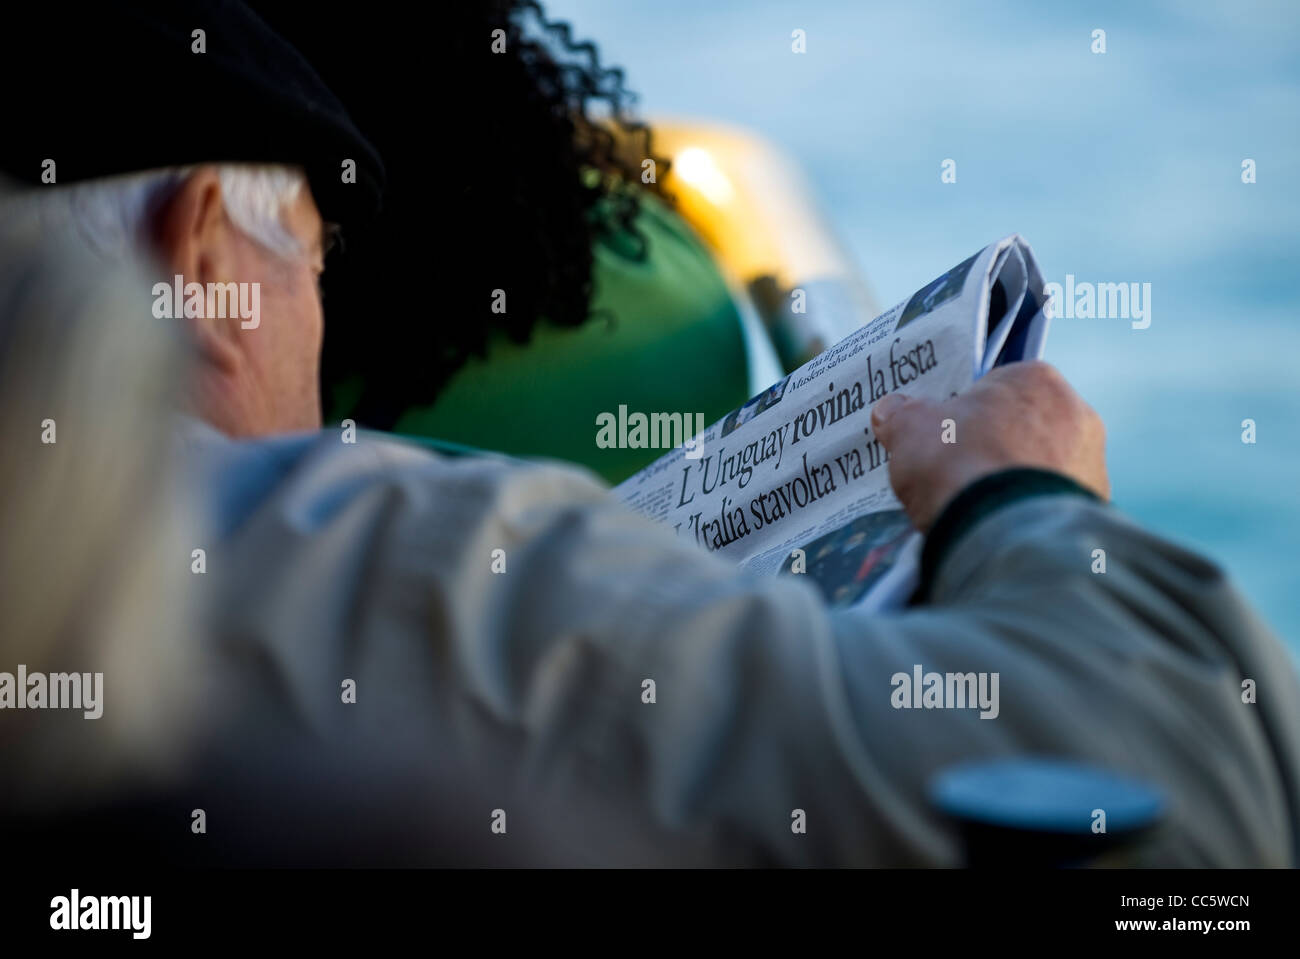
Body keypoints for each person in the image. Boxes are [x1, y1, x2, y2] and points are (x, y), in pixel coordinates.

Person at [1, 1, 1297, 867]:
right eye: (320, 271)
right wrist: (1026, 510)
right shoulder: (380, 562)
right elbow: (1176, 814)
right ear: (204, 256)